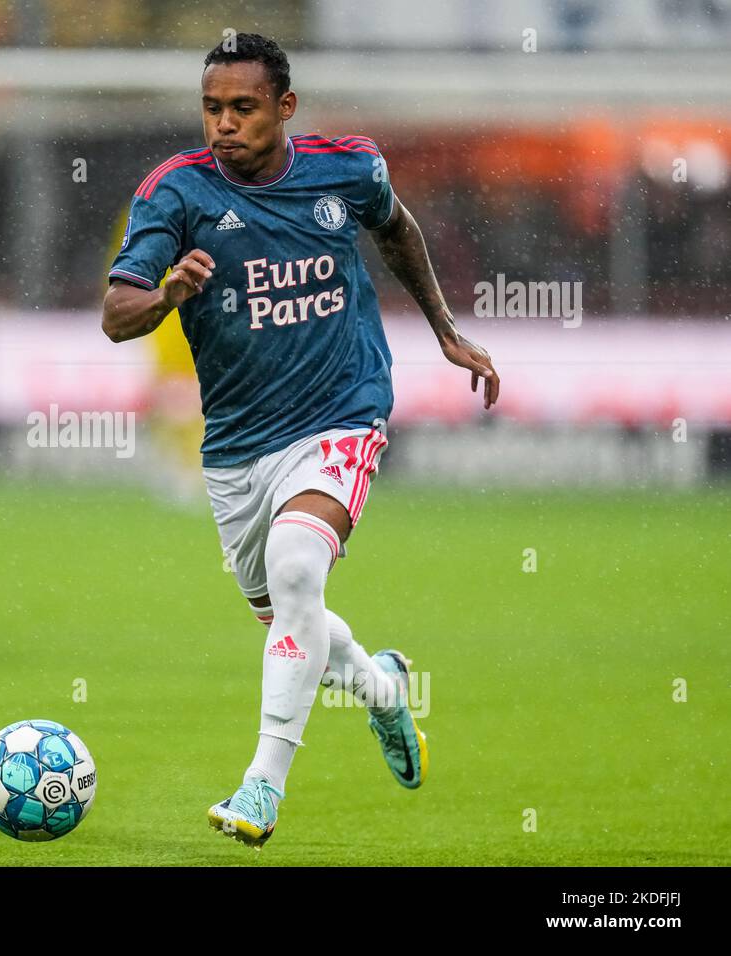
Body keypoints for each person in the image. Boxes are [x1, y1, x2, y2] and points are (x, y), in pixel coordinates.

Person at [103, 35, 501, 847]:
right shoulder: (175, 194)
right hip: (239, 444)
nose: (224, 124)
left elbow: (397, 232)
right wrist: (169, 290)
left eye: (242, 108)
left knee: (295, 570)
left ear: (285, 108)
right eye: (212, 108)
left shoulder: (348, 169)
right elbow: (117, 312)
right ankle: (382, 689)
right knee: (290, 605)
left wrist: (446, 331)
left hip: (343, 413)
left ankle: (261, 787)